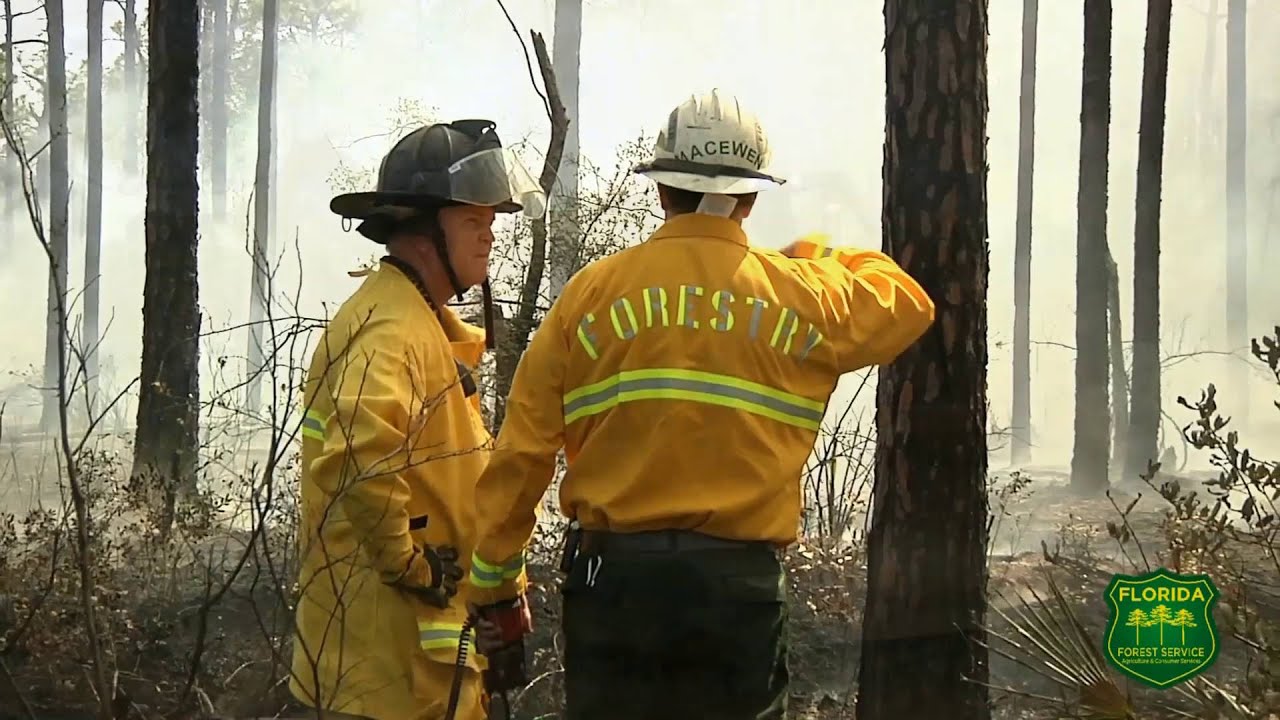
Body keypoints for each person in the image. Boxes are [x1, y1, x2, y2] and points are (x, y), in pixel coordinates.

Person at [466, 89, 937, 719]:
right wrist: (816, 253)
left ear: (662, 189)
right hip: (736, 591)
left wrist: (496, 584)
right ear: (752, 197)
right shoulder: (804, 295)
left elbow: (522, 454)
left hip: (614, 587)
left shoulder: (591, 294)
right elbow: (907, 301)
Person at [289, 118, 545, 720]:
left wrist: (491, 593)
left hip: (413, 671)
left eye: (491, 223)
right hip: (382, 678)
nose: (489, 238)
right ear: (424, 229)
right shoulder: (392, 330)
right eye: (472, 223)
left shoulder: (419, 325)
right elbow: (358, 450)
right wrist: (408, 563)